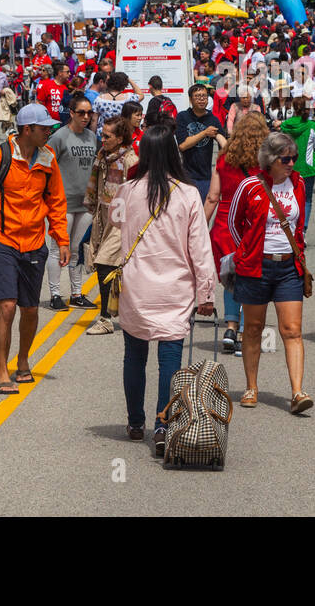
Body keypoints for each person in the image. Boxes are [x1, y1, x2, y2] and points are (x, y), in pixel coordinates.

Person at [111, 124, 218, 451]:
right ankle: (162, 424)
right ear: (174, 153)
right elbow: (200, 248)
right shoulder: (188, 194)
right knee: (169, 357)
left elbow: (116, 226)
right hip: (175, 287)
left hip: (137, 286)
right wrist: (206, 294)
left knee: (134, 355)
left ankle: (134, 421)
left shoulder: (126, 191)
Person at [0, 104, 70, 395]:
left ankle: (23, 362)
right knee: (6, 307)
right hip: (0, 241)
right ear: (27, 130)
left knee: (30, 310)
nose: (50, 131)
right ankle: (1, 371)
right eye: (44, 127)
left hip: (34, 243)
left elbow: (56, 202)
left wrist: (62, 240)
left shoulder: (48, 159)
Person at [228, 132, 314, 414]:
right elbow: (233, 223)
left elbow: (300, 224)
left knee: (292, 330)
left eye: (294, 158)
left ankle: (297, 392)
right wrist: (246, 252)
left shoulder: (299, 183)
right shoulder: (250, 186)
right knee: (253, 329)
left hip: (289, 267)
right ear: (270, 160)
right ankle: (251, 387)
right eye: (284, 159)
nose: (291, 163)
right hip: (256, 267)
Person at [206, 112, 269, 356]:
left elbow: (213, 196)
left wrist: (201, 226)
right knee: (252, 277)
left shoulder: (224, 158)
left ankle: (230, 327)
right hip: (254, 221)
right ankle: (245, 330)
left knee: (230, 274)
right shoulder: (266, 161)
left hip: (226, 221)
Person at [83, 116, 139, 335]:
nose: (102, 139)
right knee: (111, 268)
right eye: (102, 134)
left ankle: (105, 318)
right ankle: (127, 313)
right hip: (103, 217)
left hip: (121, 222)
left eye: (107, 136)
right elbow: (97, 186)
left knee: (105, 263)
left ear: (120, 138)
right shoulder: (103, 157)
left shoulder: (130, 161)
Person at [47, 94, 99, 312]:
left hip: (85, 203)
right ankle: (55, 294)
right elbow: (46, 166)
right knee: (59, 249)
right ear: (71, 113)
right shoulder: (59, 137)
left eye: (89, 113)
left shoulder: (92, 137)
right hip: (63, 203)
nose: (86, 117)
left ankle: (76, 294)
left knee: (77, 249)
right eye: (81, 113)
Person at [277, 94, 315, 228]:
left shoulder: (285, 125)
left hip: (288, 167)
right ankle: (302, 230)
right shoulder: (312, 126)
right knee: (307, 200)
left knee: (288, 197)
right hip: (308, 168)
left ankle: (290, 228)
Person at [176, 83, 227, 203]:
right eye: (197, 96)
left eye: (204, 96)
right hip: (186, 176)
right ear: (190, 99)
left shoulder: (213, 119)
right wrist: (204, 133)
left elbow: (222, 141)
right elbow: (183, 146)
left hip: (205, 177)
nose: (201, 99)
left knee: (203, 214)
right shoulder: (182, 117)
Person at [91, 71, 138, 138]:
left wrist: (93, 136)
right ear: (124, 85)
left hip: (102, 134)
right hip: (120, 134)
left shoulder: (99, 99)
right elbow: (140, 94)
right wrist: (128, 79)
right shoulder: (128, 98)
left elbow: (94, 120)